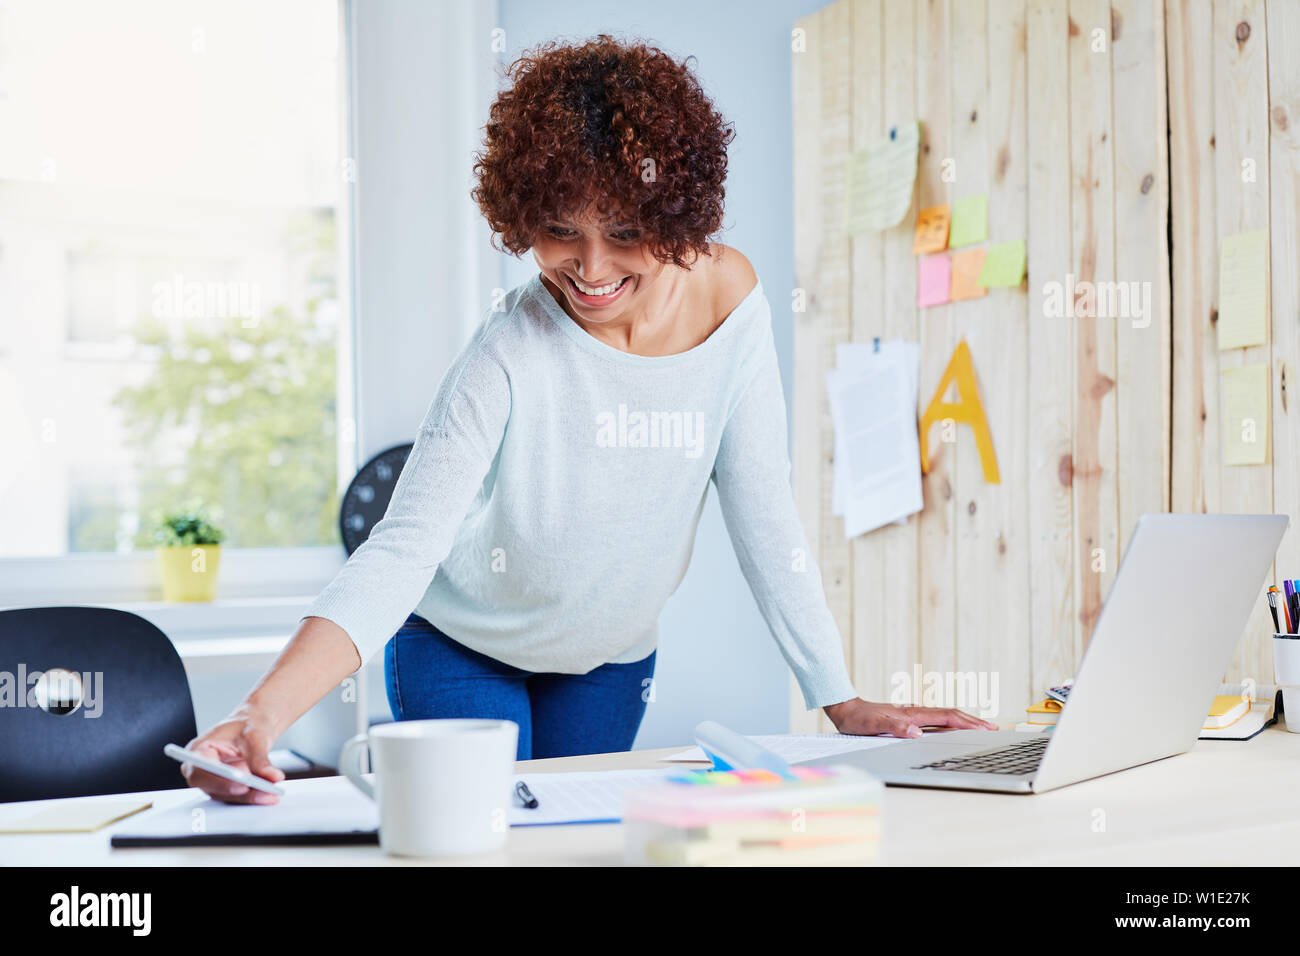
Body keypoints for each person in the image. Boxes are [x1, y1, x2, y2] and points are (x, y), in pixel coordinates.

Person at [184, 35, 993, 804]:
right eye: (561, 231)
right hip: (461, 648)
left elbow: (764, 514)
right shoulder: (507, 352)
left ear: (677, 215)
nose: (593, 270)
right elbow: (399, 555)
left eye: (628, 233)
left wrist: (840, 700)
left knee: (573, 845)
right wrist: (259, 715)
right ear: (522, 212)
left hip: (609, 661)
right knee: (485, 839)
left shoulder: (732, 303)